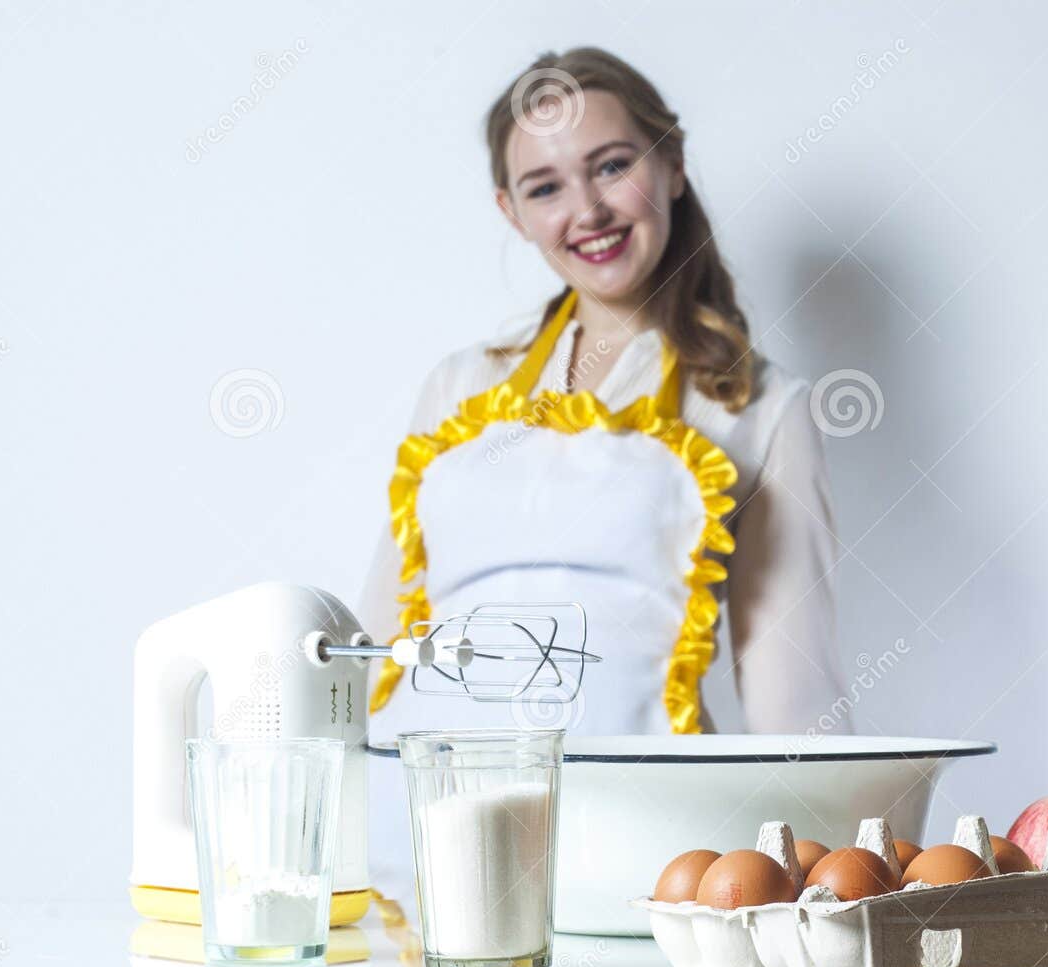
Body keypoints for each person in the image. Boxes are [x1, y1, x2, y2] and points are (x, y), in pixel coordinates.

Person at [360, 47, 848, 749]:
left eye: (613, 166)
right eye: (544, 187)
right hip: (431, 819)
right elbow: (379, 639)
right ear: (513, 212)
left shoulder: (763, 410)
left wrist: (832, 851)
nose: (587, 210)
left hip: (646, 819)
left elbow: (792, 701)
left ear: (672, 166)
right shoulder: (460, 387)